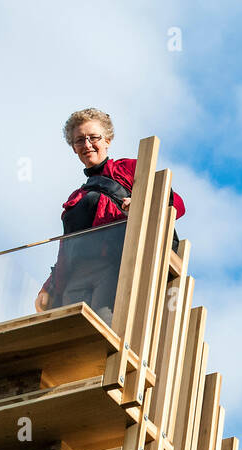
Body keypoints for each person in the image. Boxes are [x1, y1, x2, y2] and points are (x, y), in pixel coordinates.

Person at [34, 107, 186, 318]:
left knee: (102, 329)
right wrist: (48, 287)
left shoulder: (128, 169)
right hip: (76, 280)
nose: (87, 145)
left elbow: (176, 203)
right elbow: (67, 249)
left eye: (93, 137)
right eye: (79, 140)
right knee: (72, 337)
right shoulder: (76, 196)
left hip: (115, 270)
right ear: (74, 148)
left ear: (107, 141)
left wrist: (143, 204)